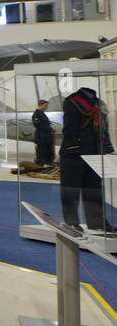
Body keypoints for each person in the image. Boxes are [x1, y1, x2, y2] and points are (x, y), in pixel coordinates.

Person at [59, 86, 114, 233]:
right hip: (74, 153)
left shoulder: (97, 102)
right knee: (71, 190)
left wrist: (105, 148)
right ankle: (71, 222)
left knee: (94, 190)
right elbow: (69, 128)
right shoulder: (73, 101)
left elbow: (103, 129)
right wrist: (72, 148)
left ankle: (96, 222)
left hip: (94, 153)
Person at [31, 100, 55, 167]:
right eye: (46, 105)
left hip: (46, 136)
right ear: (40, 105)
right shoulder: (37, 114)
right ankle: (41, 164)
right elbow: (37, 124)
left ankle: (47, 163)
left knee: (48, 151)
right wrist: (48, 128)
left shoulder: (42, 113)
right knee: (42, 152)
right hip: (42, 137)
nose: (47, 107)